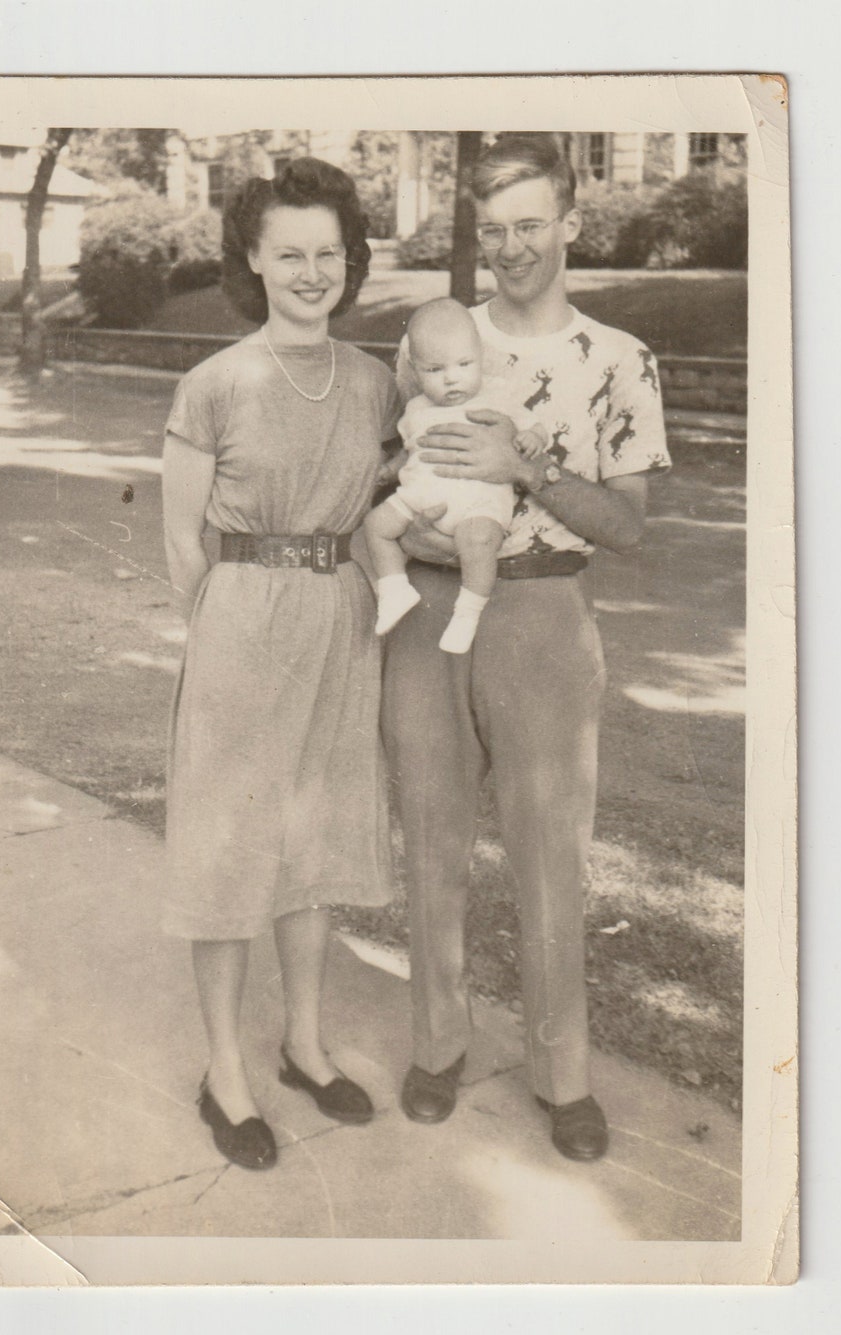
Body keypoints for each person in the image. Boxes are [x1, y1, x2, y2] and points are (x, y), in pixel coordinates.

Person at [382, 134, 671, 1162]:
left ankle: (563, 1075)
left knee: (551, 855)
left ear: (570, 225)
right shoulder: (436, 338)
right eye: (493, 228)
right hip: (428, 615)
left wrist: (529, 467)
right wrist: (414, 533)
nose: (511, 247)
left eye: (531, 225)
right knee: (430, 841)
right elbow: (388, 470)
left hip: (545, 615)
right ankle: (438, 1044)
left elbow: (627, 526)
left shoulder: (619, 358)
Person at [162, 159, 402, 1171]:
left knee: (314, 842)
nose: (312, 273)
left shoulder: (377, 383)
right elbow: (182, 545)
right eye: (289, 253)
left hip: (340, 620)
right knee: (227, 849)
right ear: (253, 260)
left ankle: (304, 1044)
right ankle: (224, 1070)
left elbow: (392, 509)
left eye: (328, 254)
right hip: (242, 624)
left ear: (350, 261)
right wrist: (232, 633)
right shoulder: (215, 383)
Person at [365, 297, 547, 654]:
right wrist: (387, 472)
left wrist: (532, 439)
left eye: (464, 364)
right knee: (376, 526)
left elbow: (535, 426)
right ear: (415, 370)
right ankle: (394, 589)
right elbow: (410, 451)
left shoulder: (497, 395)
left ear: (481, 355)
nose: (451, 378)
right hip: (418, 498)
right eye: (435, 370)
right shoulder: (416, 408)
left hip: (478, 504)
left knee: (478, 543)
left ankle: (467, 614)